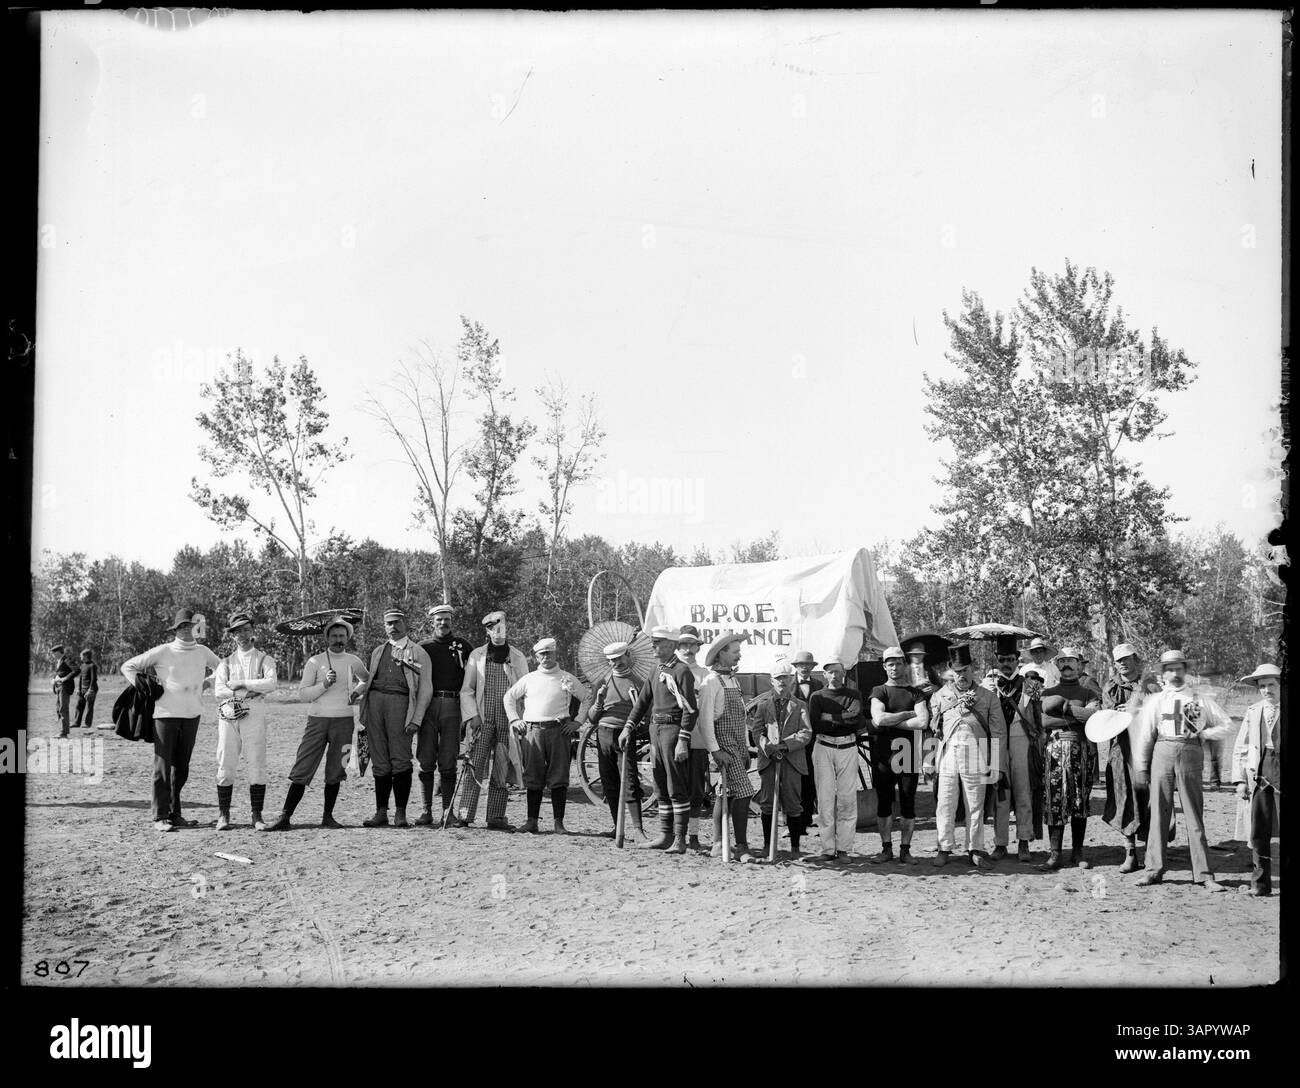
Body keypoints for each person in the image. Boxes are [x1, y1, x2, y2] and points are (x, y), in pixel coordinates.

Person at [1133, 649, 1233, 891]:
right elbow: (1145, 735)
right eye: (1169, 669)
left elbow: (1226, 724)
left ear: (1185, 671)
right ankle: (1153, 869)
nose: (1174, 673)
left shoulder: (1199, 698)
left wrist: (1204, 733)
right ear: (1163, 674)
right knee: (1158, 813)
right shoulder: (1155, 701)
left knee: (1193, 814)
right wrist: (1142, 767)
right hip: (1162, 751)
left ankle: (1204, 874)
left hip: (1190, 752)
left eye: (1179, 668)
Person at [122, 609, 222, 832]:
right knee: (162, 768)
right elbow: (128, 666)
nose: (187, 629)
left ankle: (175, 814)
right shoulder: (163, 651)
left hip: (192, 715)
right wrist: (140, 683)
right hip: (165, 717)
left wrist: (209, 681)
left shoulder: (203, 651)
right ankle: (159, 816)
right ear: (175, 630)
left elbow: (222, 668)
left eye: (190, 625)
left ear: (195, 628)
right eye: (182, 626)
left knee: (182, 768)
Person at [268, 615, 369, 831]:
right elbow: (303, 695)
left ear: (348, 637)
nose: (338, 640)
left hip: (344, 721)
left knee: (337, 769)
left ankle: (328, 816)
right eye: (334, 636)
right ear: (327, 638)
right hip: (317, 721)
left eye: (342, 636)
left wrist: (357, 692)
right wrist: (324, 684)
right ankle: (285, 816)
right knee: (303, 766)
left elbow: (366, 679)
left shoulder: (354, 661)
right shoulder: (315, 661)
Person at [620, 625, 698, 854]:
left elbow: (691, 710)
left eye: (658, 642)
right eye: (653, 642)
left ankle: (680, 839)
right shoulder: (656, 671)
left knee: (676, 786)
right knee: (660, 785)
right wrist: (627, 727)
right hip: (656, 731)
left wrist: (683, 740)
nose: (653, 646)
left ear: (672, 645)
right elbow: (642, 702)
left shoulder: (681, 671)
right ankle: (665, 835)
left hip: (673, 732)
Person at [930, 644, 1007, 869]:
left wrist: (997, 764)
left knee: (975, 804)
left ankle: (975, 848)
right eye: (956, 670)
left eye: (965, 670)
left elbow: (999, 733)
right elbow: (932, 731)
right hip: (948, 754)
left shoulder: (988, 696)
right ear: (949, 670)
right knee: (945, 803)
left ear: (972, 668)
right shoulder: (939, 695)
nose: (961, 675)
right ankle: (944, 847)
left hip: (977, 752)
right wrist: (928, 760)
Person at [504, 637, 591, 834]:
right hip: (532, 732)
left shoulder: (566, 678)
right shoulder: (529, 679)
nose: (546, 657)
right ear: (536, 657)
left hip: (559, 731)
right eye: (541, 654)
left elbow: (587, 698)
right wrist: (514, 719)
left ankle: (559, 824)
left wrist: (578, 721)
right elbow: (509, 697)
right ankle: (531, 821)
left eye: (549, 653)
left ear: (555, 654)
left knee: (559, 777)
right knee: (533, 776)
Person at [355, 608, 433, 828]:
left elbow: (425, 689)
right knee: (379, 760)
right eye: (388, 623)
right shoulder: (379, 651)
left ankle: (400, 813)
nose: (393, 627)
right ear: (384, 626)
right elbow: (369, 681)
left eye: (397, 622)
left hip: (401, 705)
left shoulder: (418, 652)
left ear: (405, 623)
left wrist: (416, 719)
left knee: (400, 758)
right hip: (375, 705)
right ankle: (381, 812)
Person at [456, 611, 530, 831]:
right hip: (482, 719)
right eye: (492, 629)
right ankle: (465, 814)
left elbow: (525, 691)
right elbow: (467, 690)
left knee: (501, 766)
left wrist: (519, 719)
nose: (497, 633)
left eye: (501, 628)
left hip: (507, 721)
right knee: (474, 765)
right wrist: (473, 716)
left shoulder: (517, 657)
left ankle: (496, 817)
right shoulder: (477, 656)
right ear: (487, 631)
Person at [213, 611, 279, 830]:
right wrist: (248, 691)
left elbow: (270, 683)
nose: (242, 635)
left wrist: (240, 683)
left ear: (253, 631)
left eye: (246, 630)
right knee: (225, 760)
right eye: (237, 631)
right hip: (229, 715)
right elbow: (220, 690)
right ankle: (224, 814)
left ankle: (257, 816)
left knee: (256, 761)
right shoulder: (225, 662)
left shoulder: (265, 659)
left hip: (255, 713)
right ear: (232, 635)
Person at [1101, 643, 1163, 873]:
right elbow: (1106, 716)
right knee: (1124, 798)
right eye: (1118, 661)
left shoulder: (1150, 684)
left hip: (1148, 750)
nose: (1123, 664)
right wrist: (1120, 712)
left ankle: (1151, 851)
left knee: (1149, 798)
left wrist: (1136, 709)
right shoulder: (1111, 687)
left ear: (1135, 659)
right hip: (1121, 750)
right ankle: (1130, 852)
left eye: (1127, 659)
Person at [695, 632, 757, 861]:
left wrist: (744, 750)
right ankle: (741, 846)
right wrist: (715, 751)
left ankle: (719, 843)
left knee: (726, 794)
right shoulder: (711, 682)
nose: (739, 656)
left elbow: (740, 718)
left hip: (737, 745)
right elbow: (705, 721)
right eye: (735, 652)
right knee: (745, 792)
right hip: (723, 745)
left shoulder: (733, 680)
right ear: (721, 654)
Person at [982, 635, 1044, 863]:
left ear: (1018, 659)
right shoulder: (987, 686)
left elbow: (1039, 718)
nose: (1006, 663)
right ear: (996, 660)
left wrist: (1039, 745)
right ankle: (1000, 844)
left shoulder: (1032, 685)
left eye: (1010, 658)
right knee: (1000, 793)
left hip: (1022, 743)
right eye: (1001, 659)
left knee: (1023, 792)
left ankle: (1024, 842)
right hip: (997, 745)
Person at [1039, 647, 1102, 870]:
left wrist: (1063, 708)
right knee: (1054, 801)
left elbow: (1094, 718)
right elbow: (1045, 722)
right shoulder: (1048, 692)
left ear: (1080, 665)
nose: (1066, 665)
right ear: (1057, 665)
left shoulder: (1089, 694)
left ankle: (1078, 852)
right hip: (1054, 752)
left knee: (1079, 802)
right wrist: (1078, 716)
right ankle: (1055, 853)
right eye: (1062, 661)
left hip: (1080, 751)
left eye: (1072, 661)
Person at [868, 646, 930, 864]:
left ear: (905, 665)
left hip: (909, 754)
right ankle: (886, 849)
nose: (894, 667)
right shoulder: (879, 691)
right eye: (890, 664)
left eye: (898, 663)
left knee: (908, 803)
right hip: (883, 755)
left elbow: (922, 722)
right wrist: (906, 715)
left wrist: (892, 718)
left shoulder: (916, 692)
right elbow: (878, 720)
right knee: (884, 803)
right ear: (885, 667)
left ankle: (905, 849)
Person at [805, 656, 868, 863]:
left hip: (848, 746)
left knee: (847, 799)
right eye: (831, 671)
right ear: (824, 674)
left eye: (839, 671)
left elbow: (856, 720)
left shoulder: (853, 694)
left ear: (844, 673)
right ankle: (827, 848)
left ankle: (844, 849)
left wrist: (830, 717)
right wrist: (843, 718)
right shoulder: (817, 696)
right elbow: (816, 724)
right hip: (824, 746)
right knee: (824, 799)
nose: (835, 675)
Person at [415, 604, 474, 827]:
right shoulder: (422, 648)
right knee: (425, 759)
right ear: (432, 622)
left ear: (451, 621)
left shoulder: (463, 646)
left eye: (446, 619)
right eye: (439, 619)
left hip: (453, 705)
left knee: (448, 760)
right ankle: (426, 811)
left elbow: (473, 677)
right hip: (428, 705)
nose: (443, 623)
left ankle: (447, 812)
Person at [747, 660, 812, 860]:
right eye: (778, 678)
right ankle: (768, 845)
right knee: (767, 803)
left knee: (793, 803)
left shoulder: (800, 705)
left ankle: (794, 847)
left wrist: (785, 745)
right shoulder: (763, 706)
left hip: (792, 761)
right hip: (769, 761)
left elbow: (806, 732)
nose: (782, 681)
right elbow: (757, 731)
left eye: (785, 677)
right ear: (771, 681)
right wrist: (767, 746)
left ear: (791, 680)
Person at [1231, 663, 1282, 896]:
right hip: (1260, 771)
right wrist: (1240, 780)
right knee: (1258, 830)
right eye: (1262, 686)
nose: (1267, 690)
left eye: (1271, 684)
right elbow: (1241, 747)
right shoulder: (1254, 711)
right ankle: (1260, 884)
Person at [588, 641, 648, 840]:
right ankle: (617, 827)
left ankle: (638, 830)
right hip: (603, 734)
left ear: (627, 655)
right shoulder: (603, 682)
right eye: (612, 661)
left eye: (619, 659)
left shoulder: (639, 683)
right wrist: (598, 701)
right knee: (610, 783)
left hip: (626, 735)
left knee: (629, 781)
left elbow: (646, 712)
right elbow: (592, 718)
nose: (616, 663)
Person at [676, 625, 711, 848]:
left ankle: (694, 835)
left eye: (692, 645)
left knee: (696, 788)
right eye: (684, 645)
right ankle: (675, 835)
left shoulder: (705, 675)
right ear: (677, 647)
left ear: (698, 648)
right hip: (672, 737)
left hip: (697, 737)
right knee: (675, 787)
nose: (688, 649)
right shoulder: (669, 672)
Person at [791, 649, 823, 829]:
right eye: (801, 665)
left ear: (812, 668)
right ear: (796, 667)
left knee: (812, 776)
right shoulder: (788, 686)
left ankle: (809, 816)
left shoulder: (819, 685)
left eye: (808, 665)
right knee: (793, 778)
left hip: (814, 739)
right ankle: (794, 819)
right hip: (794, 739)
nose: (805, 668)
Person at [52, 646, 77, 737]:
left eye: (54, 652)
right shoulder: (59, 661)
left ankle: (64, 732)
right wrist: (54, 679)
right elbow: (59, 673)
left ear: (59, 652)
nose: (53, 654)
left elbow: (77, 670)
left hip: (64, 687)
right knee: (58, 708)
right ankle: (62, 730)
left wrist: (65, 678)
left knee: (63, 709)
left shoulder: (67, 660)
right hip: (58, 686)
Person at [73, 649, 99, 730]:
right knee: (79, 706)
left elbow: (93, 679)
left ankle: (87, 724)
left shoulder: (92, 666)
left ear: (86, 656)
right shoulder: (82, 665)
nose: (80, 657)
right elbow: (81, 678)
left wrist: (90, 690)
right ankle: (76, 723)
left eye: (81, 655)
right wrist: (78, 689)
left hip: (91, 690)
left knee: (89, 707)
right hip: (82, 689)